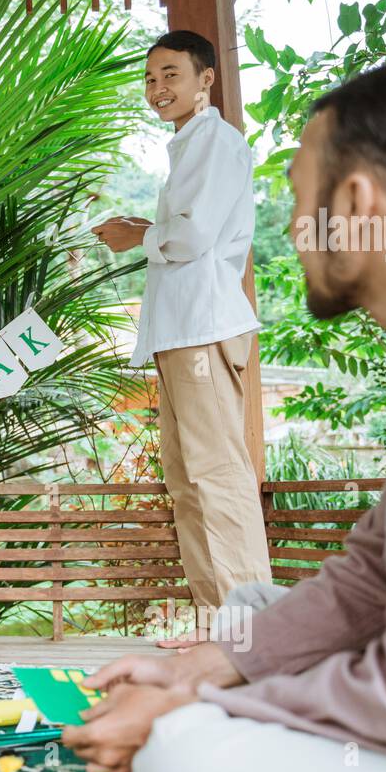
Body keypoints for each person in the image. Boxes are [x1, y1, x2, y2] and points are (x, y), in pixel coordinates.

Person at [64, 56, 386, 772]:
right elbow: (374, 570)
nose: (290, 229)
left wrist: (197, 707)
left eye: (297, 198)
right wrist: (201, 668)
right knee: (242, 623)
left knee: (183, 759)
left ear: (355, 200)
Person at [93, 31, 271, 634]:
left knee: (217, 477)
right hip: (178, 336)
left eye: (171, 74)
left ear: (205, 80)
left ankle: (248, 633)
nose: (158, 88)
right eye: (150, 78)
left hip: (203, 332)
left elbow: (193, 242)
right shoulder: (187, 148)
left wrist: (138, 238)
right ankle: (217, 628)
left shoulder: (216, 143)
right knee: (188, 482)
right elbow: (192, 233)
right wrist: (150, 226)